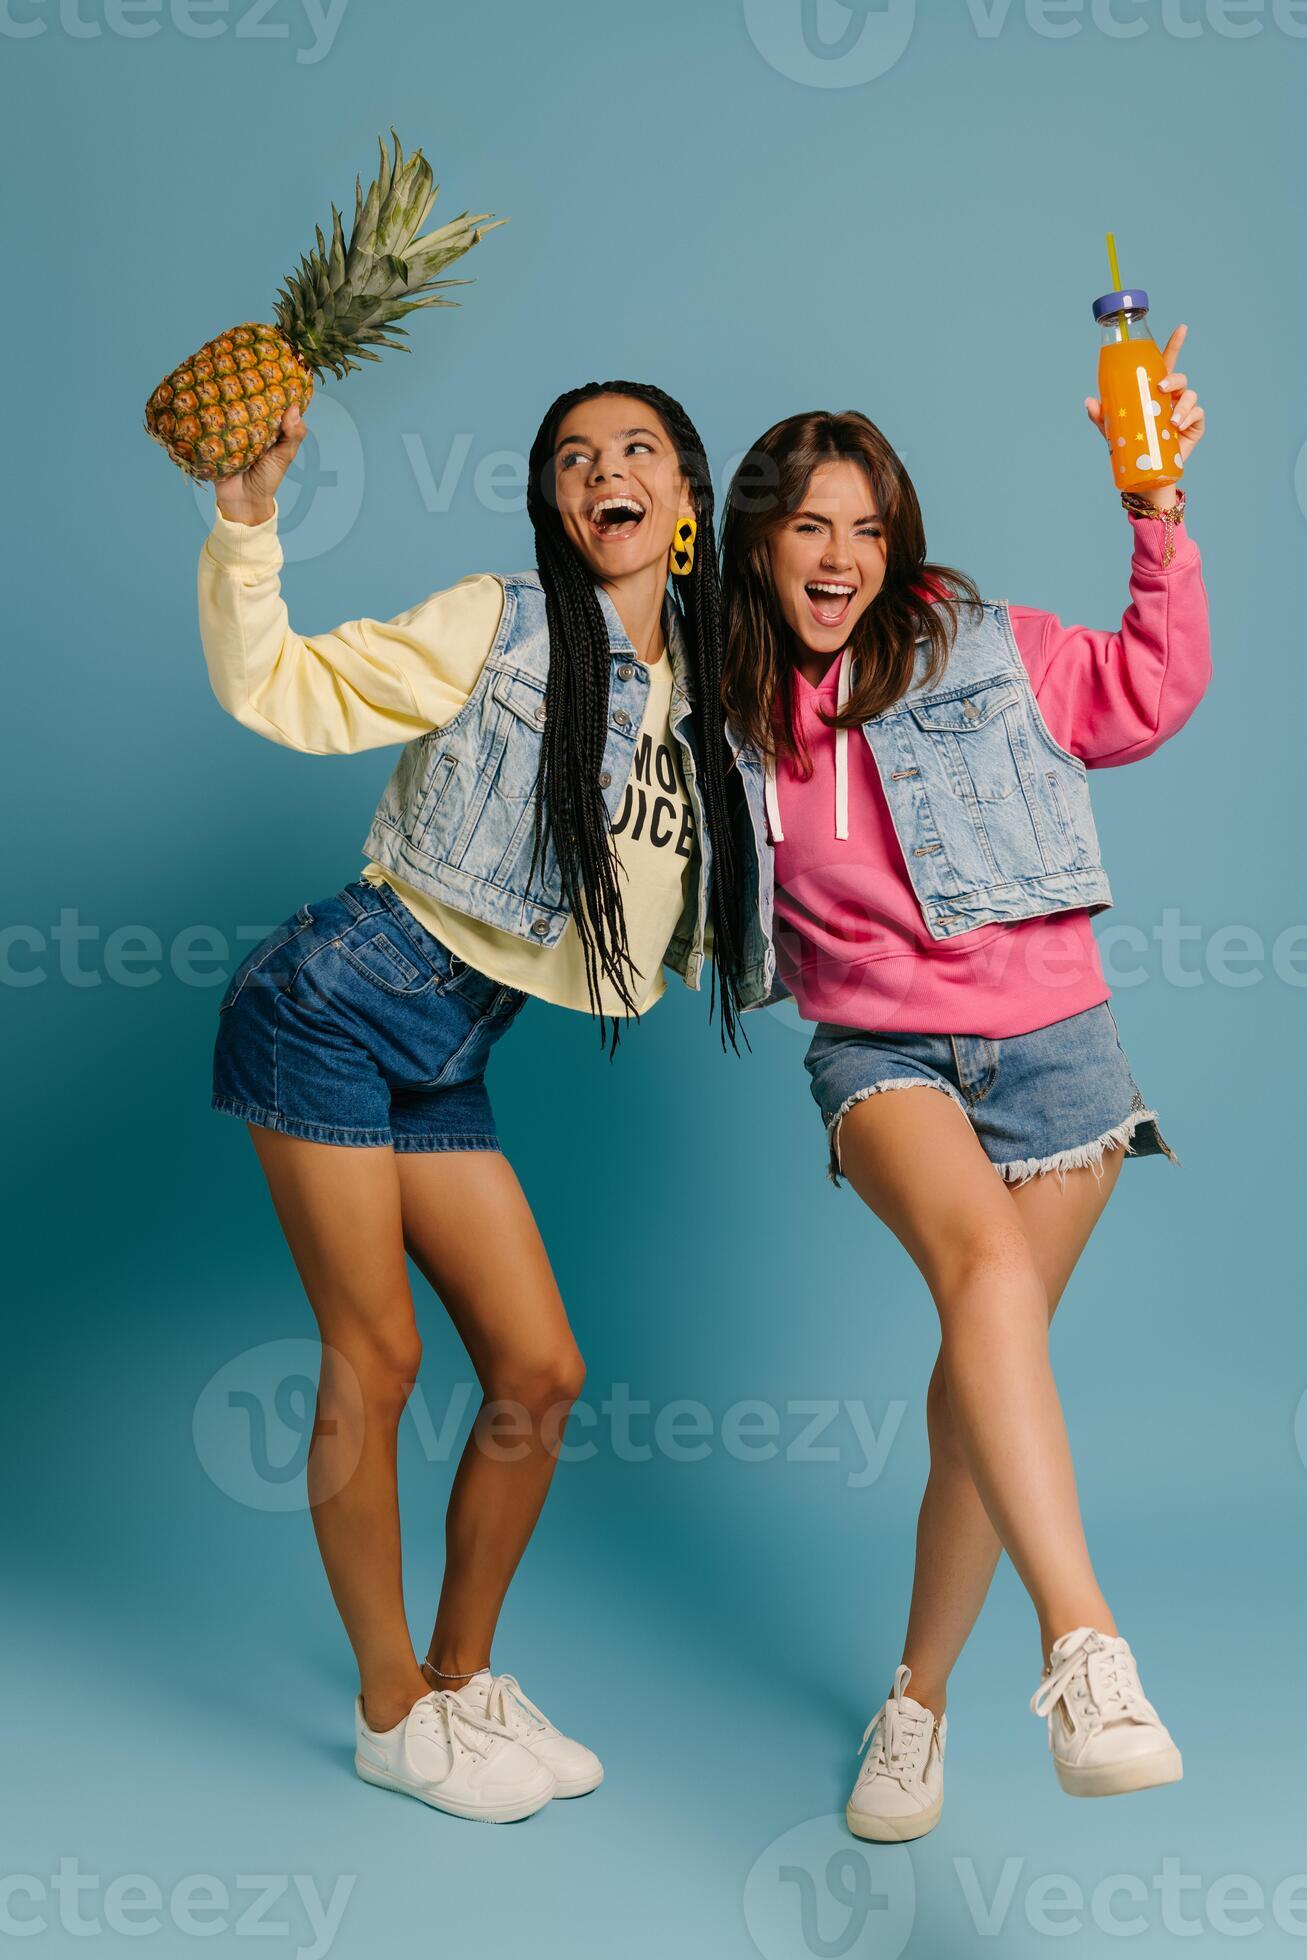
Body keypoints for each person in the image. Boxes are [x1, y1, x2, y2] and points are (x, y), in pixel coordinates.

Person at [198, 380, 761, 1822]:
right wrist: (247, 525)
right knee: (377, 1354)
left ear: (685, 500)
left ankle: (460, 1679)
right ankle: (391, 1711)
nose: (602, 471)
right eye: (573, 458)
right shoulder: (498, 623)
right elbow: (284, 687)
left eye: (636, 451)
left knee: (539, 1371)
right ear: (555, 506)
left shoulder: (709, 699)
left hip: (449, 1046)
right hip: (333, 999)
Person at [719, 327, 1209, 1838]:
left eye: (868, 530)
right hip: (881, 1051)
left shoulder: (983, 643)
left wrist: (1157, 511)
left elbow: (1147, 694)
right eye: (812, 526)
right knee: (985, 1274)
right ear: (759, 541)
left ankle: (914, 1705)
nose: (842, 558)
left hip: (1058, 1052)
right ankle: (1088, 1650)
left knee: (968, 1408)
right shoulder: (718, 696)